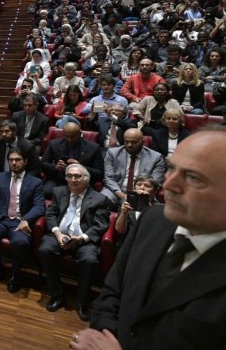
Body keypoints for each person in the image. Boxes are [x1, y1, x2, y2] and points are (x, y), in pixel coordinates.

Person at [72, 127, 226, 350]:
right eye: (171, 169)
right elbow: (113, 289)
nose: (169, 185)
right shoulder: (152, 218)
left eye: (193, 177)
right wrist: (103, 332)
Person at [38, 164, 111, 322]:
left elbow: (100, 225)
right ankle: (57, 295)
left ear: (87, 179)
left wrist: (79, 239)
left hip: (82, 240)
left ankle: (82, 302)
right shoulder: (59, 191)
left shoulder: (100, 199)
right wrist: (57, 234)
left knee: (90, 260)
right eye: (69, 176)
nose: (73, 179)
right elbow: (51, 214)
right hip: (60, 236)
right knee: (45, 249)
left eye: (77, 176)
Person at [0, 150, 45, 292]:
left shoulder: (35, 182)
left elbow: (40, 206)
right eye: (11, 159)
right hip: (1, 219)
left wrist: (27, 219)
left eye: (18, 159)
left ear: (25, 162)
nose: (14, 163)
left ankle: (15, 275)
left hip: (20, 221)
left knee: (20, 242)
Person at [102, 128, 166, 204]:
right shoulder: (113, 153)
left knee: (137, 207)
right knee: (102, 199)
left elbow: (155, 182)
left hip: (141, 192)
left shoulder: (156, 157)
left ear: (143, 142)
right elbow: (108, 178)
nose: (129, 145)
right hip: (115, 190)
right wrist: (120, 194)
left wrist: (137, 195)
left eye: (134, 142)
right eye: (126, 142)